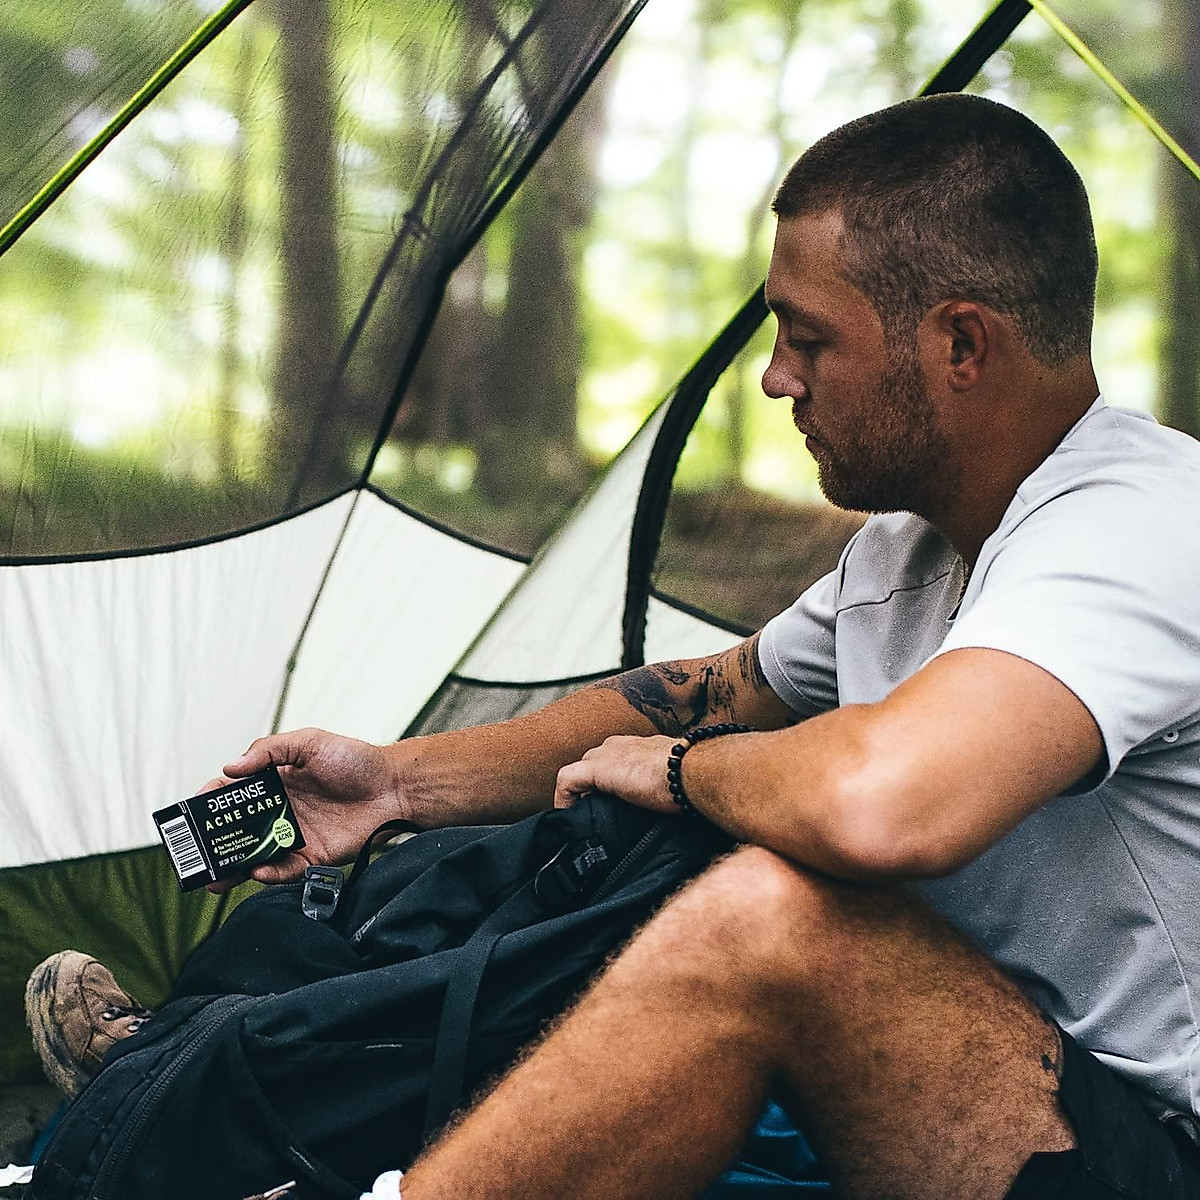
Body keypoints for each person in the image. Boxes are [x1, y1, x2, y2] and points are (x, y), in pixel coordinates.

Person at [28, 93, 1200, 1199]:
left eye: (808, 338)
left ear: (960, 345)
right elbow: (701, 696)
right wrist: (399, 782)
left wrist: (687, 775)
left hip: (1140, 1142)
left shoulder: (1141, 529)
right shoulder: (910, 554)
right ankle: (194, 1094)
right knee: (600, 846)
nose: (777, 377)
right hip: (962, 1066)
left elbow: (880, 807)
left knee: (774, 913)